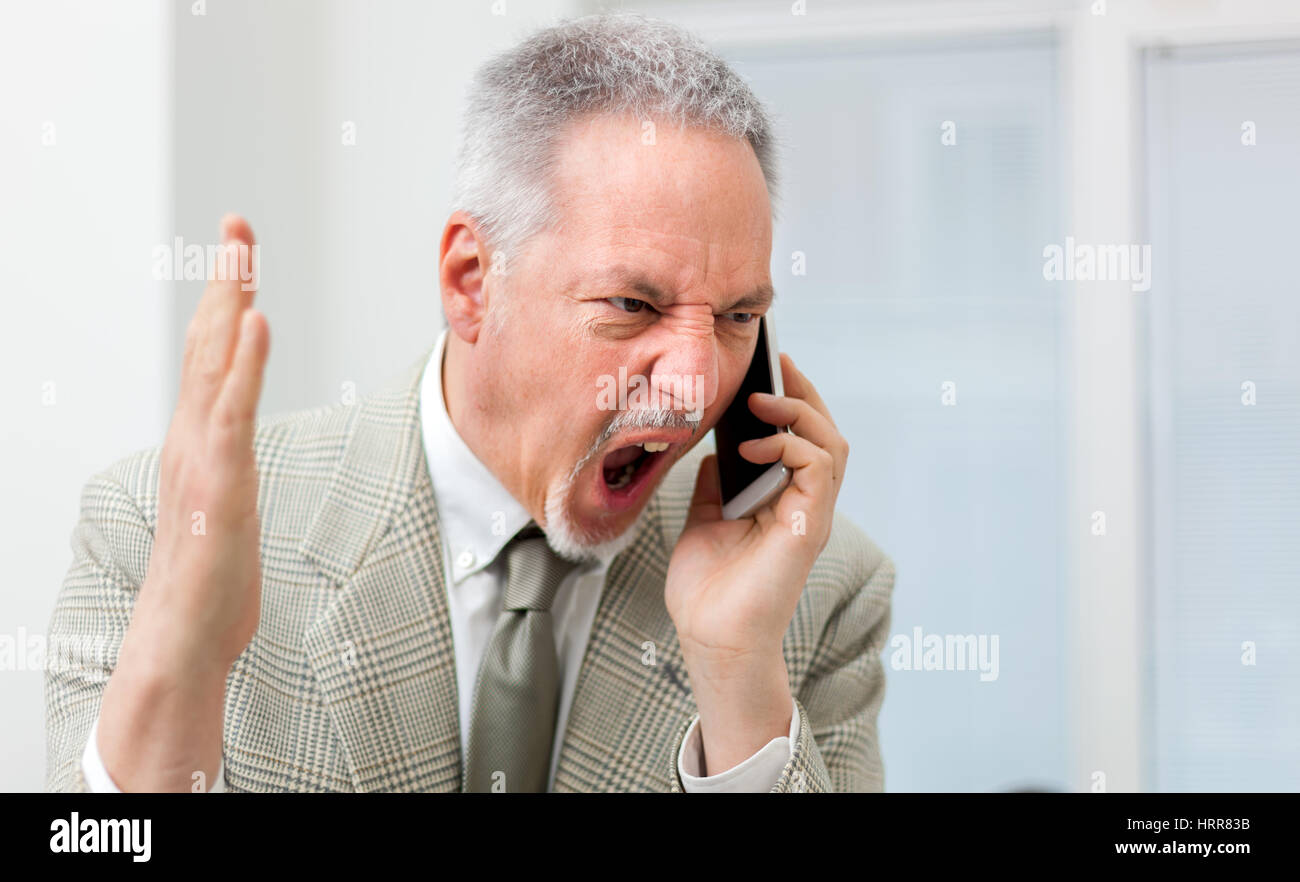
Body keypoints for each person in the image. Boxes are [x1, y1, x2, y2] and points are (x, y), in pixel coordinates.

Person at [45, 12, 894, 793]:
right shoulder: (153, 529)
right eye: (633, 306)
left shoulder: (821, 593)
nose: (697, 383)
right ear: (471, 282)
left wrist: (737, 676)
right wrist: (176, 667)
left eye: (738, 316)